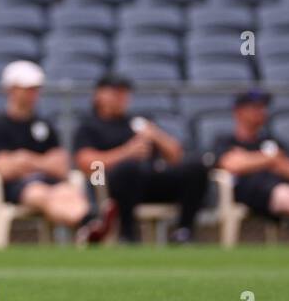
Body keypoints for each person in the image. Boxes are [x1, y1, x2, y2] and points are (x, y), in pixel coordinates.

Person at [0, 60, 115, 246]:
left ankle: (89, 226)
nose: (33, 94)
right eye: (27, 88)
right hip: (18, 188)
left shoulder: (45, 126)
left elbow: (60, 165)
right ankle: (89, 222)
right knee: (39, 193)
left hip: (49, 182)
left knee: (68, 191)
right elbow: (2, 167)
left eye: (35, 89)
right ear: (11, 90)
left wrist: (26, 160)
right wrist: (42, 162)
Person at [71, 74, 207, 244]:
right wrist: (126, 152)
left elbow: (176, 155)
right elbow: (87, 163)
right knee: (128, 169)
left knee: (196, 167)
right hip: (115, 187)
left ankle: (183, 232)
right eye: (115, 92)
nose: (122, 98)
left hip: (151, 181)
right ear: (99, 95)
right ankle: (127, 235)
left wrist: (156, 135)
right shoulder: (89, 127)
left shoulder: (136, 122)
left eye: (124, 93)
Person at [213, 90, 289, 223]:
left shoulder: (272, 140)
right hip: (253, 192)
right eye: (254, 107)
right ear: (238, 112)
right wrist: (271, 159)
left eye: (263, 107)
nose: (261, 112)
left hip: (284, 187)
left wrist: (250, 159)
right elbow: (232, 164)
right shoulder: (226, 141)